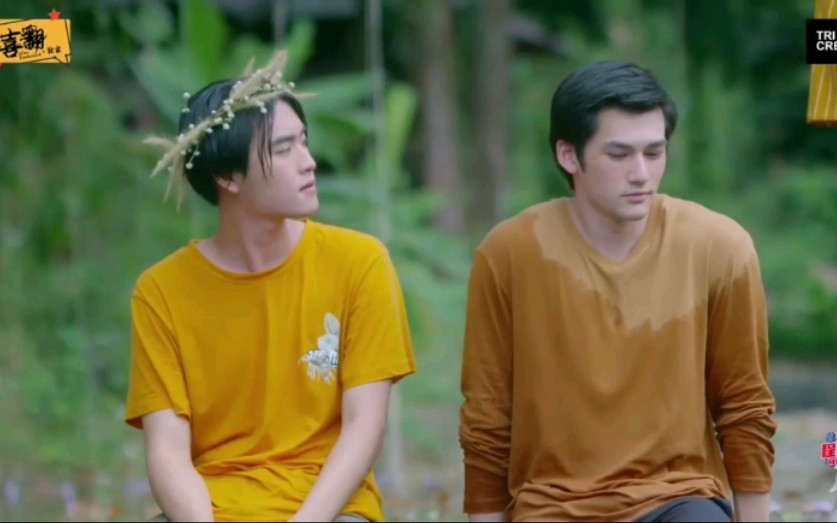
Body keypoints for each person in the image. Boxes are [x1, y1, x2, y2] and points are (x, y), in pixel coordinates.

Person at [458, 61, 777, 522]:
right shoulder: (510, 254)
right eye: (620, 154)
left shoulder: (717, 247)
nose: (641, 174)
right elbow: (487, 415)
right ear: (569, 156)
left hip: (678, 498)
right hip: (553, 505)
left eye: (654, 152)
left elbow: (744, 403)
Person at [125, 50, 417, 523]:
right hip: (212, 509)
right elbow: (167, 450)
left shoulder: (360, 263)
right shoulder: (161, 292)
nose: (309, 162)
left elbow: (365, 425)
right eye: (284, 150)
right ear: (227, 176)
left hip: (329, 511)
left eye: (304, 142)